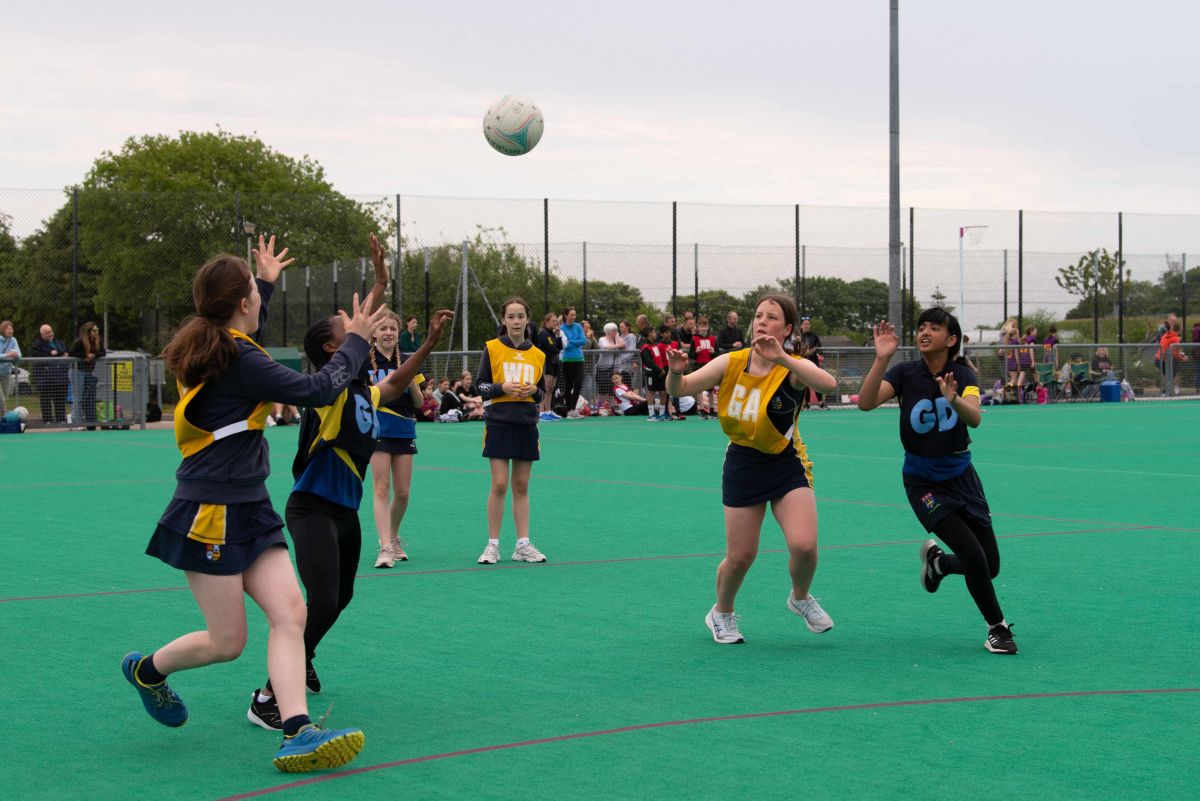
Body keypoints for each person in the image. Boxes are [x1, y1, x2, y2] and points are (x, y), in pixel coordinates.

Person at [121, 236, 376, 772]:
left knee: (291, 612)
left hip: (250, 507)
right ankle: (147, 670)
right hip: (210, 511)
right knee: (227, 640)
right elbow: (322, 388)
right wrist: (353, 341)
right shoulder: (239, 357)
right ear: (241, 306)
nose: (259, 306)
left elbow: (245, 329)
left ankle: (297, 729)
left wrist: (262, 282)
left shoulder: (219, 344)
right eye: (254, 298)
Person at [246, 306, 452, 730]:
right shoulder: (326, 393)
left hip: (343, 511)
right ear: (333, 349)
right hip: (312, 508)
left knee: (341, 598)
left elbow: (394, 383)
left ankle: (301, 659)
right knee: (320, 600)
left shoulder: (361, 391)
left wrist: (428, 341)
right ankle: (268, 695)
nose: (361, 332)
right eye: (351, 331)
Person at [666, 295, 838, 645]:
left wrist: (785, 358)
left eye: (771, 317)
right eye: (758, 315)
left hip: (785, 462)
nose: (761, 321)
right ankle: (721, 613)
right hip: (744, 463)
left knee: (805, 546)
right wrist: (674, 371)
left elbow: (829, 385)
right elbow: (680, 389)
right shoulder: (731, 362)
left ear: (786, 329)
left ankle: (800, 598)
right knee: (741, 556)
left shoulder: (792, 368)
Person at [856, 310, 1018, 655]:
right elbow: (866, 403)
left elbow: (974, 418)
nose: (925, 332)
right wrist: (882, 358)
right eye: (921, 327)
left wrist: (954, 399)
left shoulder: (962, 374)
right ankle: (997, 629)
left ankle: (939, 563)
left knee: (989, 565)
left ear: (952, 338)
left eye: (934, 327)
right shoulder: (904, 374)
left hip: (962, 478)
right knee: (973, 556)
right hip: (923, 483)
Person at [475, 297, 548, 565]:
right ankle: (492, 544)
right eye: (511, 316)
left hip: (526, 424)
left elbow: (542, 393)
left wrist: (534, 391)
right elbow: (479, 386)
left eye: (520, 316)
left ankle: (522, 544)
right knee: (499, 484)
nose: (516, 321)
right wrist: (501, 388)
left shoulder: (538, 354)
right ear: (504, 320)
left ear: (527, 319)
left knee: (521, 485)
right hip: (498, 423)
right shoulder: (491, 349)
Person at [366, 310, 424, 568]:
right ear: (374, 334)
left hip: (404, 428)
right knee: (381, 487)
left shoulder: (409, 360)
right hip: (377, 429)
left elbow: (421, 403)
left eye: (392, 328)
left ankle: (393, 535)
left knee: (402, 492)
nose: (388, 333)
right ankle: (385, 547)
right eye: (382, 328)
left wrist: (411, 384)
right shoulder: (363, 362)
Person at [68, 321, 106, 429]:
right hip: (77, 371)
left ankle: (77, 418)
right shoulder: (80, 341)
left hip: (88, 372)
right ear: (89, 332)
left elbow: (103, 352)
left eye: (97, 330)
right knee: (78, 398)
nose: (97, 332)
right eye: (94, 330)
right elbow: (71, 353)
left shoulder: (98, 341)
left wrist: (93, 355)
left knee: (87, 397)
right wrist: (85, 355)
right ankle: (78, 423)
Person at [31, 324, 70, 424]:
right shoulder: (37, 345)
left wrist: (56, 353)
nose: (50, 334)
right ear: (42, 334)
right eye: (47, 333)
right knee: (46, 400)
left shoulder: (59, 342)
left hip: (60, 378)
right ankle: (47, 420)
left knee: (60, 400)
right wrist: (52, 353)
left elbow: (65, 351)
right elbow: (37, 357)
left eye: (51, 331)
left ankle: (61, 419)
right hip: (45, 379)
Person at [559, 306, 586, 418]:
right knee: (568, 384)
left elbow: (583, 341)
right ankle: (569, 410)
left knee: (578, 384)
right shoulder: (562, 328)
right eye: (571, 315)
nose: (574, 317)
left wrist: (572, 341)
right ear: (566, 316)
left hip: (579, 358)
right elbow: (565, 344)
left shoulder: (578, 326)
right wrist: (575, 342)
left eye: (575, 315)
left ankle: (574, 409)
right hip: (567, 359)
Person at [535, 312, 562, 420]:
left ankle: (548, 410)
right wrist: (556, 349)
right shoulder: (543, 333)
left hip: (554, 362)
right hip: (547, 363)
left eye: (556, 321)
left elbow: (559, 347)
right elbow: (551, 348)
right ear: (547, 322)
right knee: (545, 388)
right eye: (553, 321)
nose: (556, 323)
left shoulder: (553, 333)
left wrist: (559, 335)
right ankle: (541, 412)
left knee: (551, 389)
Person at [796, 316, 826, 410]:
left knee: (816, 381)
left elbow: (819, 348)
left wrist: (819, 354)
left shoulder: (814, 336)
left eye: (808, 324)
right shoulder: (798, 336)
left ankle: (821, 403)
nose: (807, 326)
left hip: (814, 363)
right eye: (805, 324)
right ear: (801, 326)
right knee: (804, 383)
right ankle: (806, 403)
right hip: (802, 363)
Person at [1155, 321, 1188, 395]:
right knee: (1174, 374)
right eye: (1182, 328)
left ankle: (1165, 391)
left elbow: (1173, 350)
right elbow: (1175, 352)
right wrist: (1183, 358)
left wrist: (1180, 354)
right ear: (1179, 330)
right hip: (1163, 358)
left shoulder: (1165, 335)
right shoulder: (1176, 338)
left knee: (1165, 374)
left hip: (1158, 358)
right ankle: (1172, 391)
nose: (1182, 329)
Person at [595, 322, 623, 409]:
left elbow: (623, 345)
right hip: (603, 368)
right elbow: (606, 346)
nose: (615, 332)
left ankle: (611, 408)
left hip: (613, 369)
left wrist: (617, 338)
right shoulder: (602, 339)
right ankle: (600, 407)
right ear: (608, 332)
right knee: (602, 390)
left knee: (612, 389)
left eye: (616, 330)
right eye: (613, 331)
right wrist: (617, 346)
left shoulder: (616, 339)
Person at [0, 320, 22, 415]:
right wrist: (7, 355)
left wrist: (15, 355)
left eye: (12, 329)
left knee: (5, 396)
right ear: (3, 330)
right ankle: (3, 418)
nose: (11, 331)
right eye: (9, 329)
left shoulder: (13, 340)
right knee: (1, 399)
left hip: (6, 372)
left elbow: (19, 355)